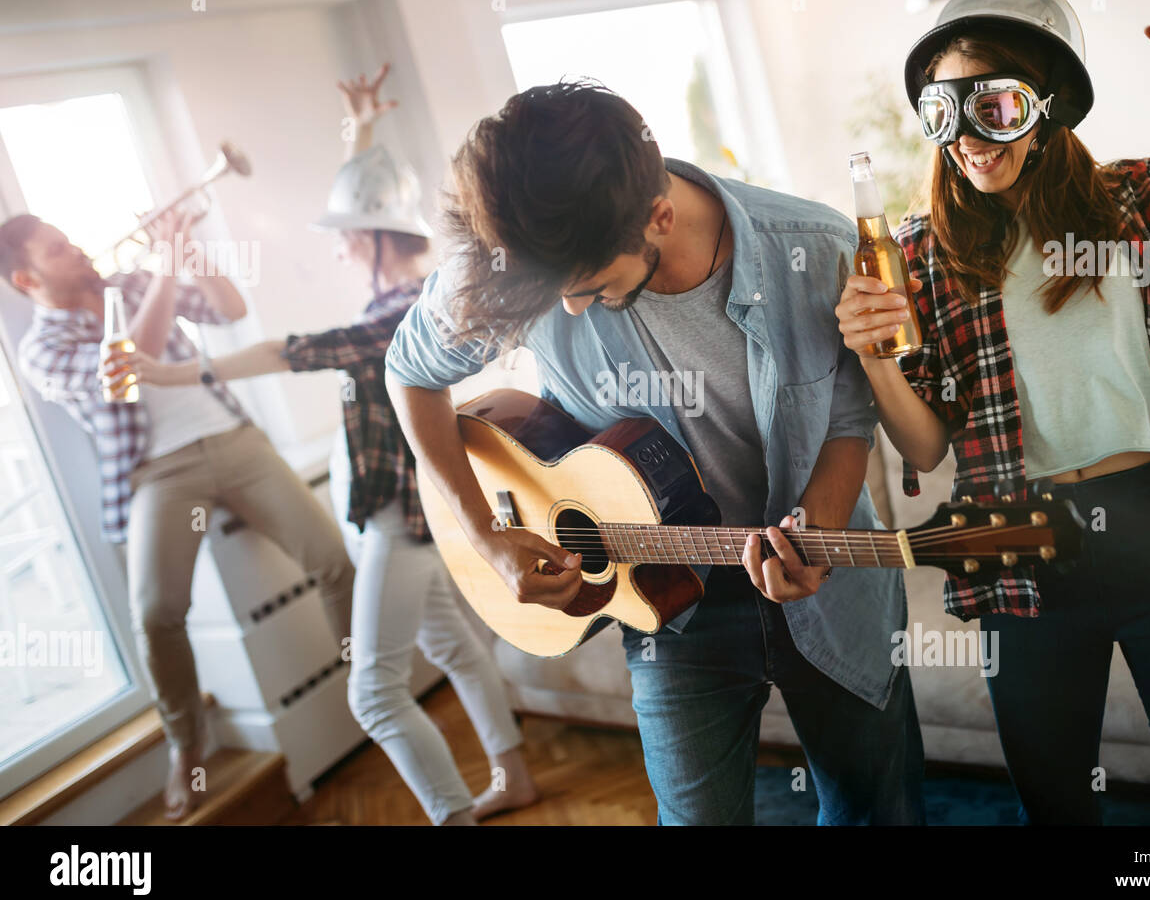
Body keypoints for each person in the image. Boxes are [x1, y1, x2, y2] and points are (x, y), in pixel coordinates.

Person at [383, 80, 925, 825]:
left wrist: (816, 535)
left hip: (830, 589)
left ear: (659, 217)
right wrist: (486, 534)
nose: (569, 309)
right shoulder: (523, 264)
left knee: (878, 814)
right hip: (664, 600)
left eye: (594, 287)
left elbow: (846, 422)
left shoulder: (814, 248)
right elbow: (408, 374)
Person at [837, 0, 1150, 824]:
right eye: (944, 112)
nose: (969, 139)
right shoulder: (921, 255)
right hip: (1020, 552)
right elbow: (928, 446)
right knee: (1053, 807)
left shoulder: (1136, 201)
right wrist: (873, 359)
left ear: (1048, 107)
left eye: (997, 109)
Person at [113, 65, 539, 825]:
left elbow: (289, 350)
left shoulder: (399, 314)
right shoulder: (404, 295)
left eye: (347, 241)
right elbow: (364, 202)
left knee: (373, 694)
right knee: (453, 647)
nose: (337, 254)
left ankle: (451, 817)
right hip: (417, 515)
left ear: (374, 240)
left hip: (401, 522)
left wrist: (170, 371)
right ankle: (513, 776)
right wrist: (361, 131)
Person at [0, 210, 354, 820]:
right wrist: (163, 270)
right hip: (159, 473)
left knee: (333, 562)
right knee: (157, 612)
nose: (78, 246)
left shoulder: (134, 280)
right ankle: (185, 745)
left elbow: (229, 307)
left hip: (234, 440)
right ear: (26, 281)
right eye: (57, 249)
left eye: (69, 235)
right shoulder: (41, 348)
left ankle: (365, 680)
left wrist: (189, 254)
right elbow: (134, 362)